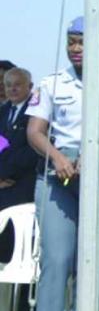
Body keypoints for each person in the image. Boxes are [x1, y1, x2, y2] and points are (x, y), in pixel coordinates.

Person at [27, 18, 99, 311]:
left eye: (82, 42)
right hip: (56, 175)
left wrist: (92, 154)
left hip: (96, 173)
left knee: (87, 260)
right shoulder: (52, 83)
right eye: (71, 41)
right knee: (57, 259)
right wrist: (59, 158)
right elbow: (35, 130)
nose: (75, 48)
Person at [0, 67, 38, 266]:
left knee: (19, 247)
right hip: (2, 185)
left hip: (24, 186)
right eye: (8, 85)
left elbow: (33, 150)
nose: (12, 90)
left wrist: (6, 170)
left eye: (17, 85)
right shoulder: (2, 112)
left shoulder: (36, 112)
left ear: (29, 87)